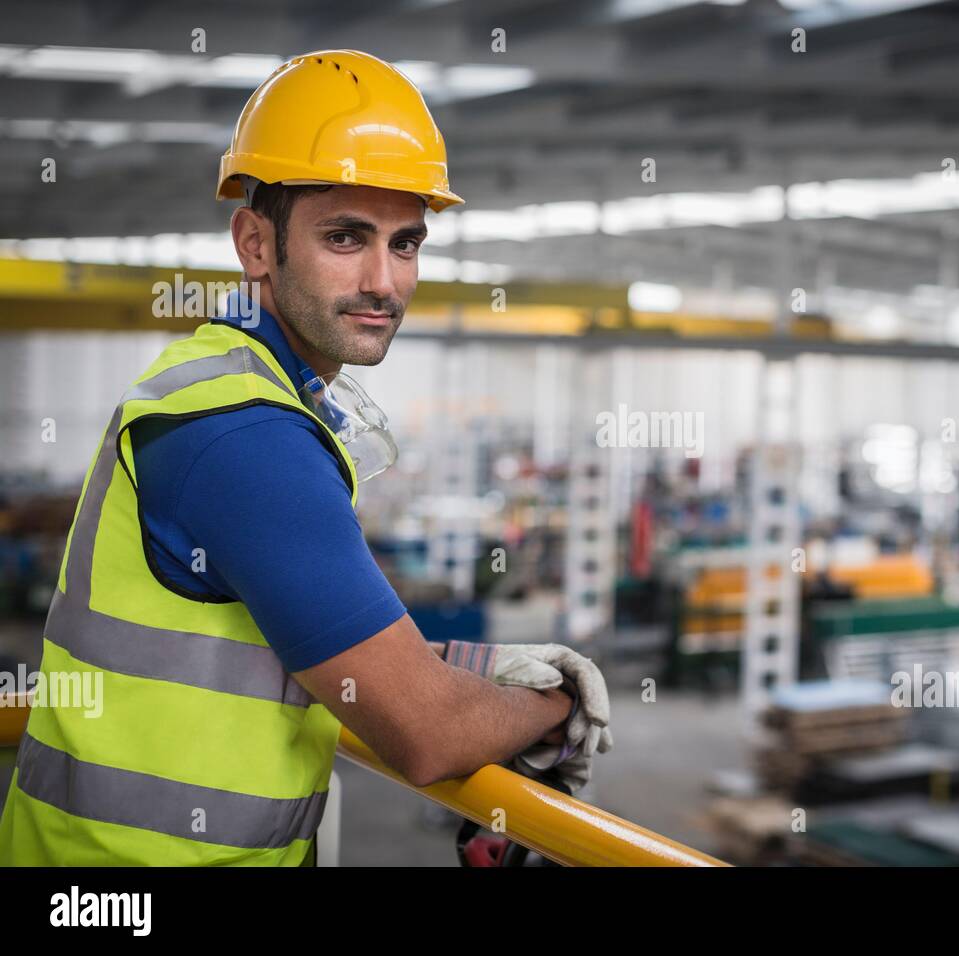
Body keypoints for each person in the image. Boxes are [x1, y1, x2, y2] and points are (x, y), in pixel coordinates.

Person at [0, 50, 611, 866]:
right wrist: (556, 707)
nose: (383, 281)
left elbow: (272, 643)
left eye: (405, 243)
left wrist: (471, 671)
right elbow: (425, 735)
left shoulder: (222, 386)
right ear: (256, 242)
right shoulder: (246, 438)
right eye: (346, 237)